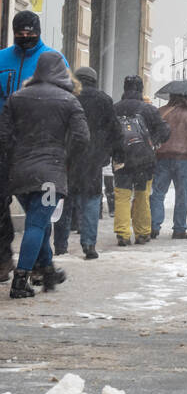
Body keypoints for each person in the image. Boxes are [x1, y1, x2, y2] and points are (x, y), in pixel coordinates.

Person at [0, 52, 88, 298]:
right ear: (62, 72)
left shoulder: (17, 97)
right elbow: (82, 138)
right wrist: (66, 160)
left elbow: (3, 136)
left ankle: (46, 269)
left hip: (20, 174)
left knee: (38, 223)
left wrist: (16, 158)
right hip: (50, 175)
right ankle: (21, 280)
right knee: (37, 224)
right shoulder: (68, 101)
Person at [0, 11, 69, 281]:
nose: (26, 37)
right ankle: (6, 258)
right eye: (21, 33)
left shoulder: (53, 60)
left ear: (38, 32)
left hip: (37, 147)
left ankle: (42, 264)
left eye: (31, 32)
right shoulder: (3, 58)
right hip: (4, 144)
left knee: (37, 211)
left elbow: (67, 104)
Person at [53, 67, 120, 260]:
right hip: (93, 159)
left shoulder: (67, 96)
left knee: (64, 201)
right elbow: (114, 130)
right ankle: (89, 244)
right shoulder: (104, 100)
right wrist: (117, 154)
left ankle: (60, 245)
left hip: (68, 158)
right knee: (91, 199)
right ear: (94, 80)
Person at [112, 75, 170, 247]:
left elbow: (108, 132)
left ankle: (122, 233)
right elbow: (165, 130)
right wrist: (154, 142)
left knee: (122, 196)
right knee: (142, 195)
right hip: (144, 159)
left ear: (124, 88)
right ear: (141, 89)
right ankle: (142, 233)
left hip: (121, 157)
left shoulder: (115, 108)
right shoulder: (148, 109)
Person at [150, 93, 187, 240]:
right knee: (182, 195)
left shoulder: (161, 111)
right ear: (186, 97)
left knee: (158, 193)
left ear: (170, 96)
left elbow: (152, 133)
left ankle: (153, 226)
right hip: (184, 159)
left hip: (162, 157)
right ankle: (179, 229)